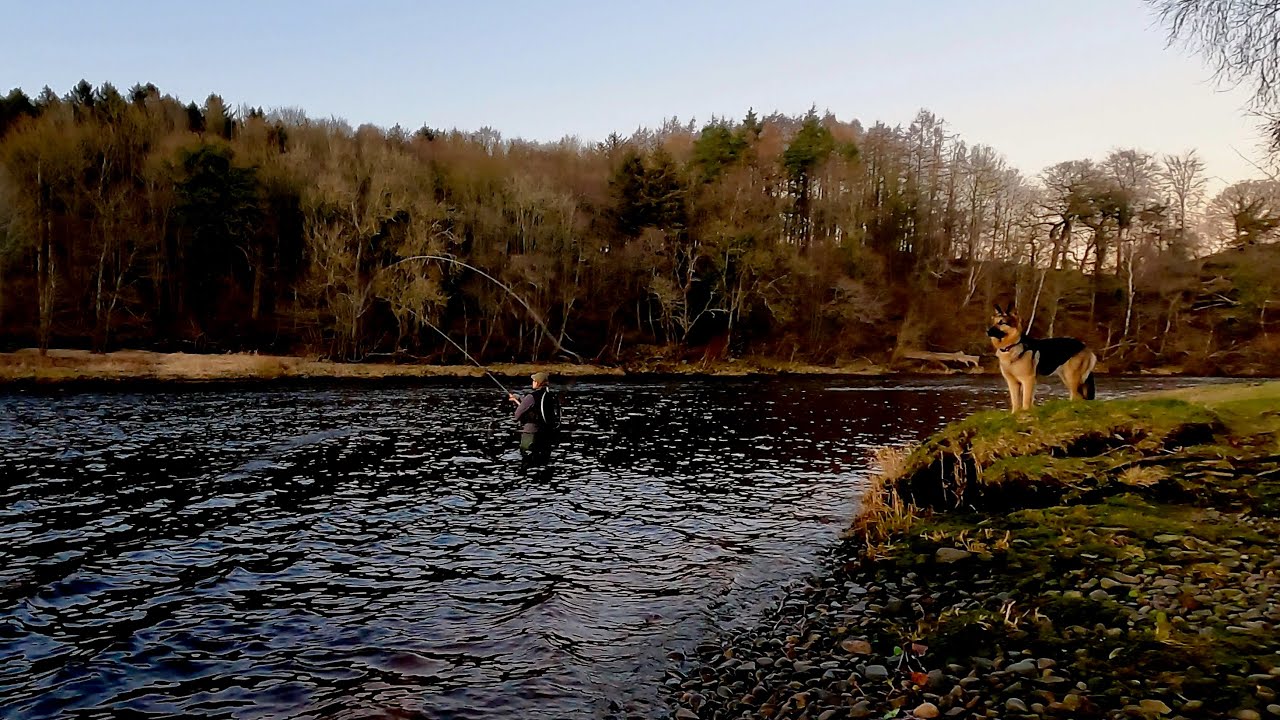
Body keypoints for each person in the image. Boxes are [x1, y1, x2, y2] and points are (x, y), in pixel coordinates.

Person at [508, 371, 558, 461]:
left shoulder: (531, 397)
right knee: (544, 459)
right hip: (546, 434)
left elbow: (517, 415)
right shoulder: (550, 396)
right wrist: (519, 398)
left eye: (534, 380)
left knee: (526, 457)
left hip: (530, 433)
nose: (532, 382)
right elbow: (536, 405)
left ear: (538, 383)